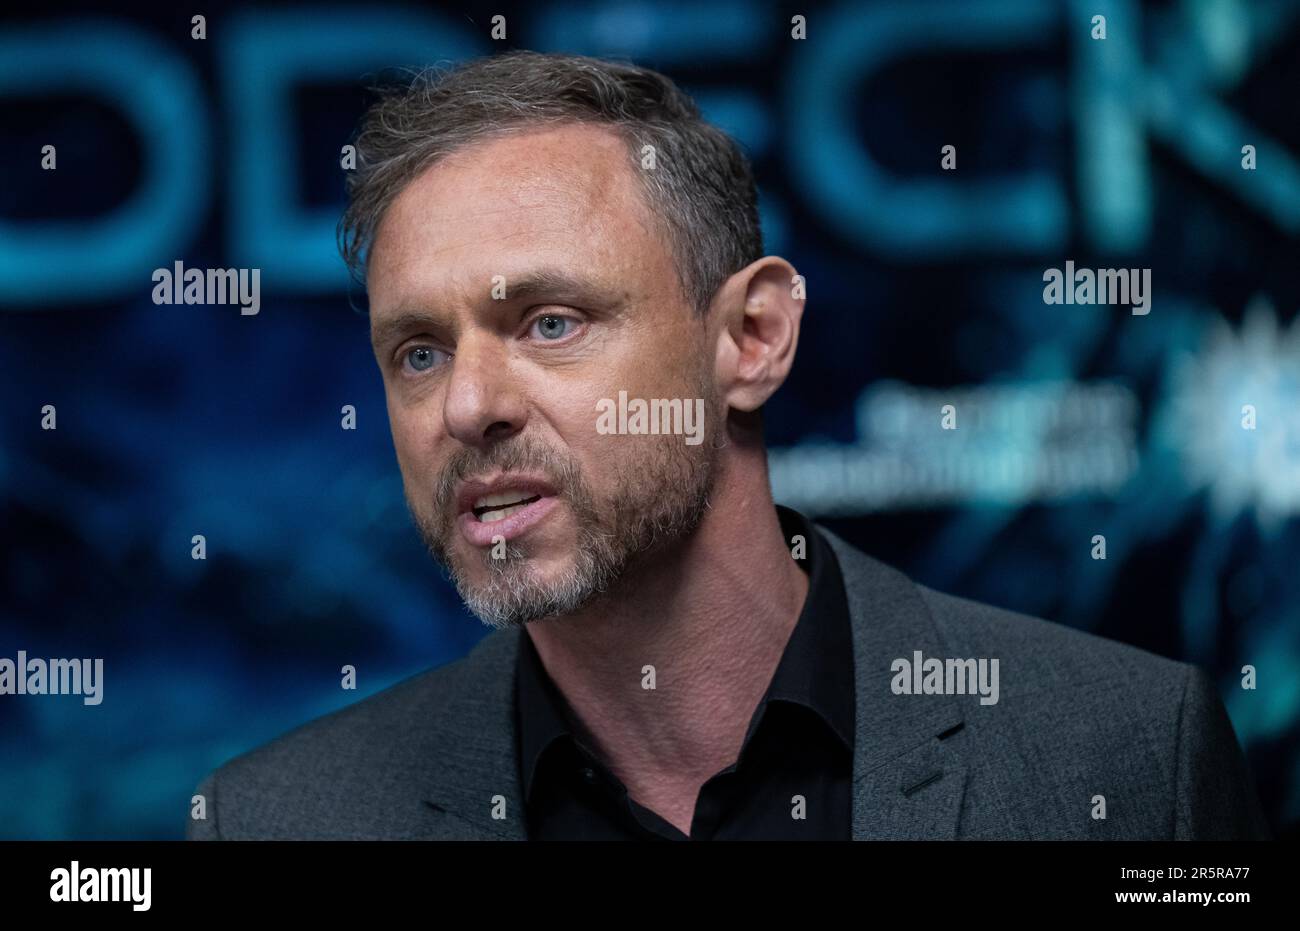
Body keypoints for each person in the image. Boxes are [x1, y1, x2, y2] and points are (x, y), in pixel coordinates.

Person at [187, 51, 1269, 841]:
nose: (467, 405)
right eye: (417, 352)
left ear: (751, 339)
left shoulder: (1125, 757)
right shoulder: (277, 822)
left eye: (549, 323)